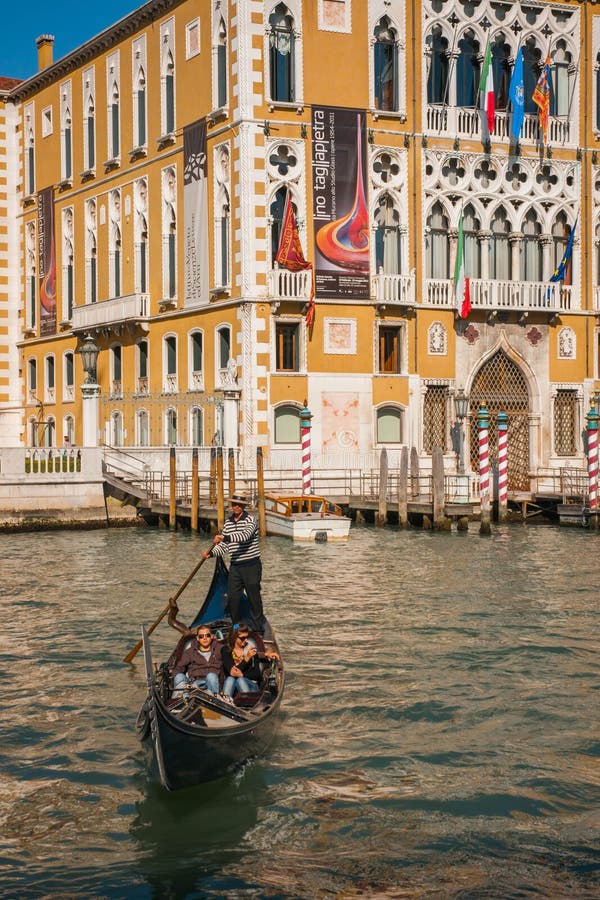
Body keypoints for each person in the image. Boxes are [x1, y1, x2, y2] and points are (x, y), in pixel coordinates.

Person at [202, 493, 266, 634]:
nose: (236, 506)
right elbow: (224, 546)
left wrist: (224, 537)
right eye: (234, 504)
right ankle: (236, 628)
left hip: (251, 565)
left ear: (243, 506)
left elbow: (244, 537)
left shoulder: (251, 520)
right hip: (235, 566)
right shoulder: (229, 522)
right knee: (233, 599)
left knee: (254, 597)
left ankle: (258, 629)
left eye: (239, 504)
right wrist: (211, 553)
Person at [172, 627, 223, 696]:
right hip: (195, 683)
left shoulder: (220, 649)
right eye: (201, 636)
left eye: (207, 635)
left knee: (211, 676)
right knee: (179, 676)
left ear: (212, 636)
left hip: (212, 683)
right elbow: (178, 668)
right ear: (197, 638)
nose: (204, 638)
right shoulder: (190, 652)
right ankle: (178, 700)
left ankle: (214, 699)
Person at [221, 624, 262, 697]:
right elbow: (233, 672)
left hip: (251, 686)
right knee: (230, 679)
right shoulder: (226, 650)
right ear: (234, 637)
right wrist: (246, 659)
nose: (246, 640)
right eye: (242, 638)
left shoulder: (251, 650)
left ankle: (247, 703)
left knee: (240, 680)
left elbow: (257, 675)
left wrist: (242, 675)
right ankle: (226, 702)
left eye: (247, 637)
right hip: (233, 687)